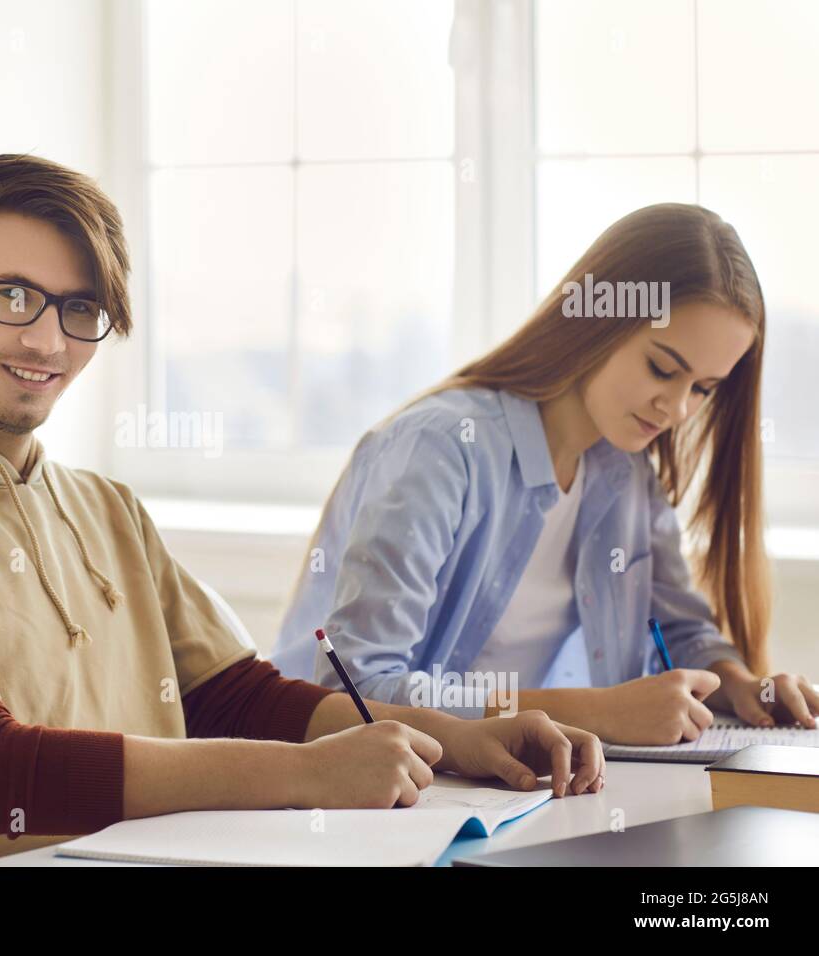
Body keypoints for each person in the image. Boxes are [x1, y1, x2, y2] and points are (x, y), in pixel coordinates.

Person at [0, 154, 603, 866]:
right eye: (11, 295)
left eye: (78, 311)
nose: (46, 343)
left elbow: (241, 699)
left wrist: (454, 738)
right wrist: (309, 777)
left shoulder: (105, 507)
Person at [269, 203, 818, 746]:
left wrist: (744, 686)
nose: (676, 409)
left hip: (498, 788)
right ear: (598, 324)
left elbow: (681, 631)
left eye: (702, 389)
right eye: (662, 369)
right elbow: (357, 690)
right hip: (354, 794)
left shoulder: (625, 473)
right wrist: (595, 711)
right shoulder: (441, 450)